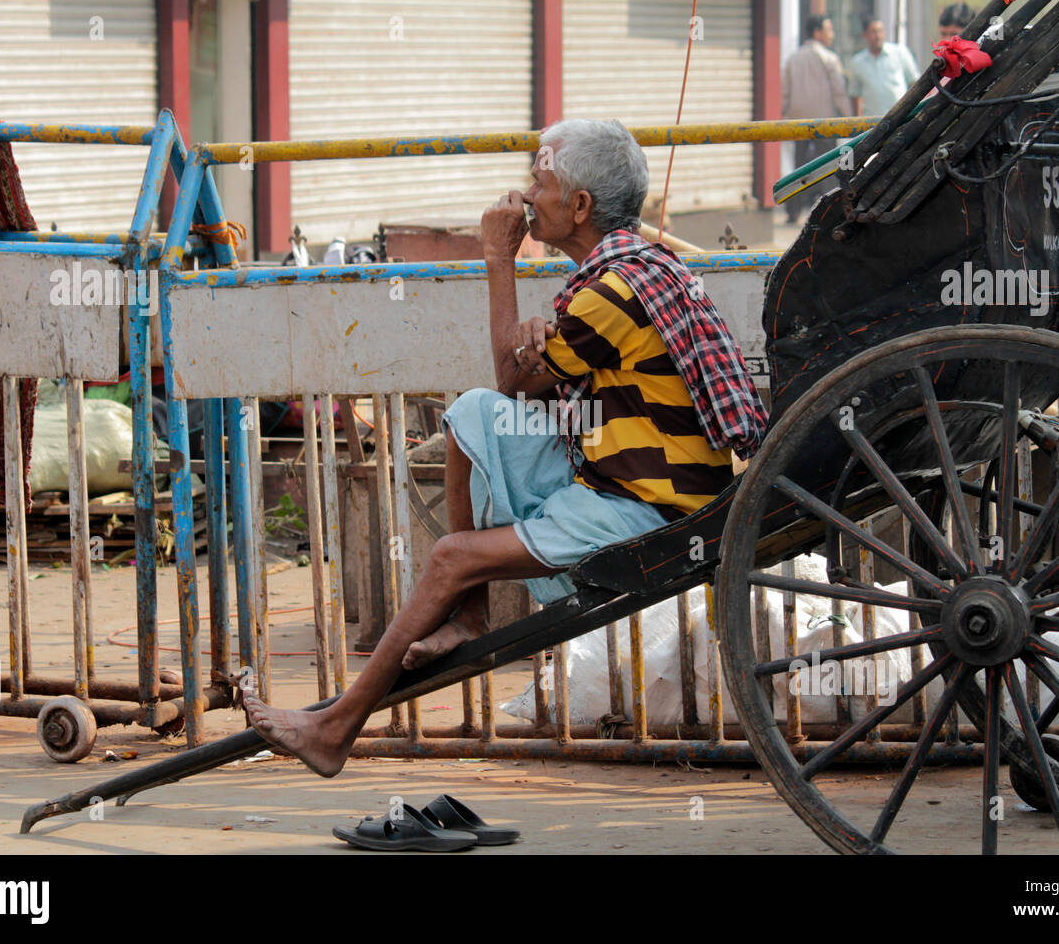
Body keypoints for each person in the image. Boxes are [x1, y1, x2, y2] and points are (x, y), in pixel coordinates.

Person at [243, 119, 768, 778]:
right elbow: (516, 394)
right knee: (471, 416)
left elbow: (514, 376)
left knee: (448, 555)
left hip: (651, 512)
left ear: (579, 206)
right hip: (622, 483)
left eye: (540, 182)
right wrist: (533, 340)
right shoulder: (629, 272)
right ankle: (469, 615)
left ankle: (334, 727)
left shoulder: (612, 290)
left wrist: (498, 259)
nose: (526, 195)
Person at [782, 14, 850, 224]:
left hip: (798, 122)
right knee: (829, 166)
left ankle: (792, 212)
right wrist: (849, 119)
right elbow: (839, 91)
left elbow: (785, 92)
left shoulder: (793, 58)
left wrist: (783, 117)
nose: (832, 34)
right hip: (825, 123)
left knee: (798, 167)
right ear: (818, 32)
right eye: (829, 29)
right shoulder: (829, 58)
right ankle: (829, 211)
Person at [847, 17, 920, 117]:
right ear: (864, 35)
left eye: (880, 31)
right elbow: (855, 95)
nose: (878, 36)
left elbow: (915, 83)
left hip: (901, 118)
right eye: (873, 32)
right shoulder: (858, 62)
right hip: (871, 122)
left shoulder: (900, 53)